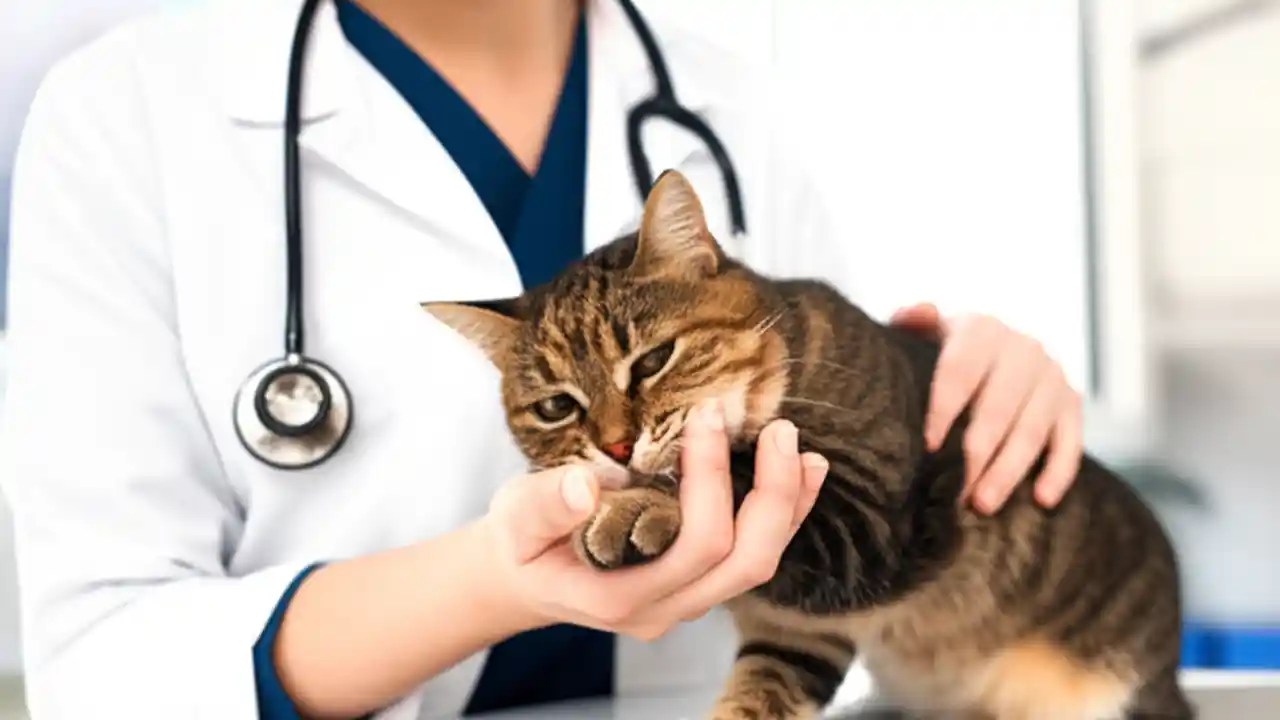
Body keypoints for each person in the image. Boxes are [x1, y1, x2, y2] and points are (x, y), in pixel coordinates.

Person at [0, 0, 1084, 717]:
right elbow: (103, 668)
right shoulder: (127, 117)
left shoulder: (728, 102)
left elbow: (833, 508)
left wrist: (945, 400)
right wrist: (490, 584)